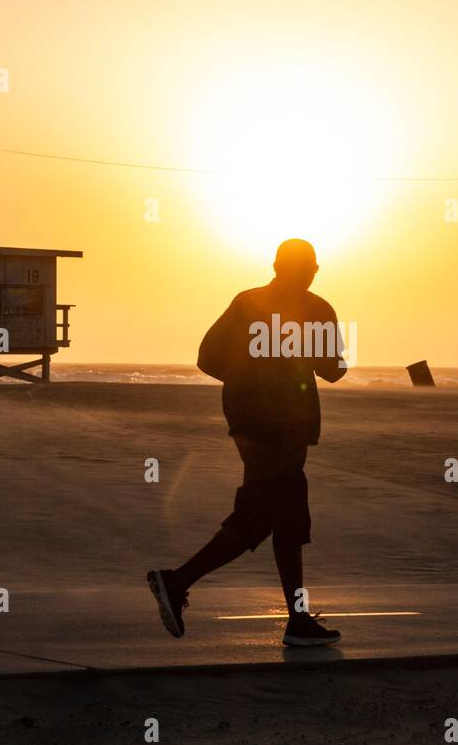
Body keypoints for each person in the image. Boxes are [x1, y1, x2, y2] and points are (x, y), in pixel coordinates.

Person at [147, 239, 346, 647]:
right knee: (262, 514)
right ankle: (178, 579)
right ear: (314, 269)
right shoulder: (317, 309)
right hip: (284, 425)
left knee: (286, 517)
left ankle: (297, 620)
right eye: (306, 268)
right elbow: (335, 370)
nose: (306, 275)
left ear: (275, 265)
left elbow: (207, 358)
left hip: (249, 421)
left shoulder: (247, 303)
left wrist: (246, 382)